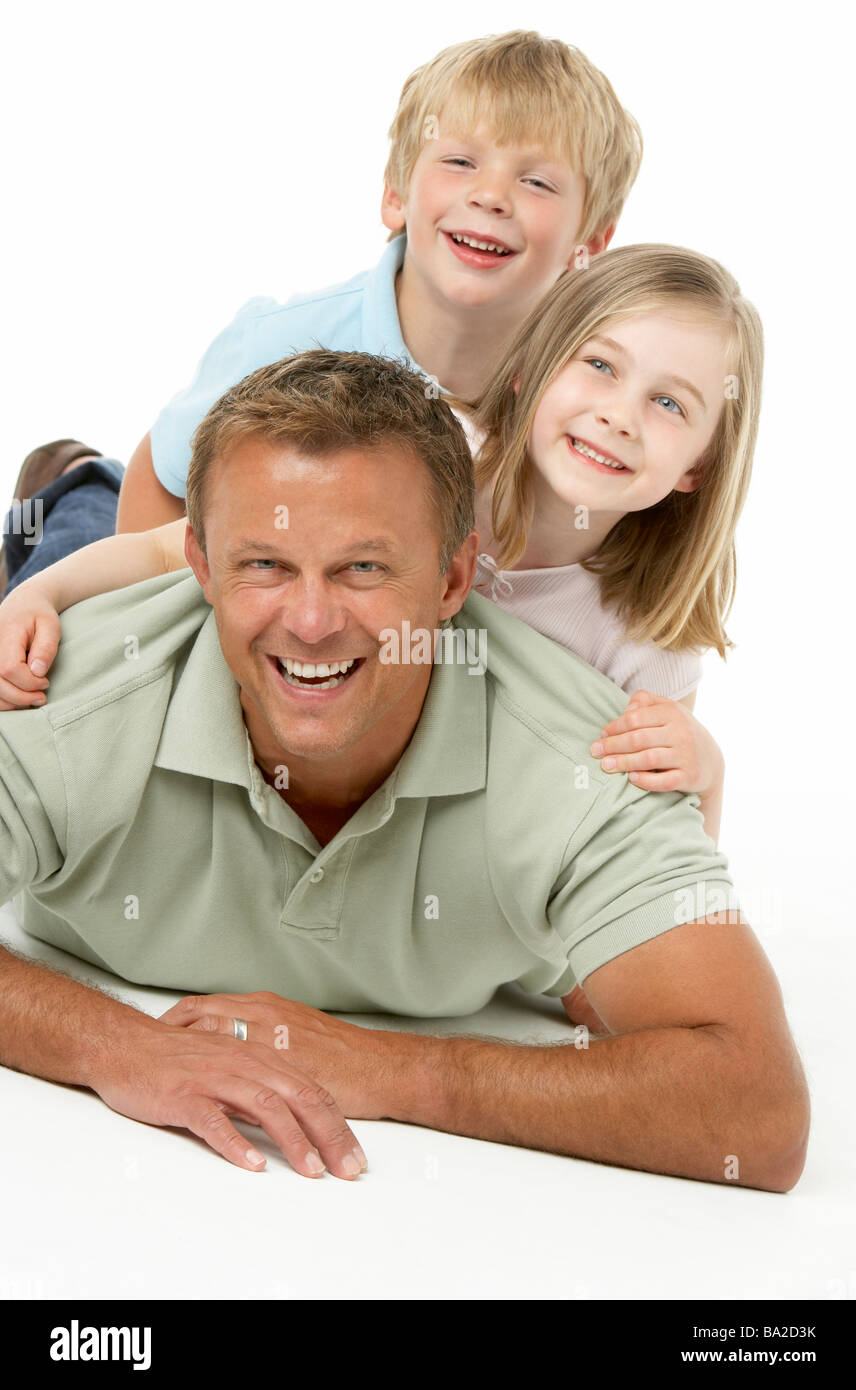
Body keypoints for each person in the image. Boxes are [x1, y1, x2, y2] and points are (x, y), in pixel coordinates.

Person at [0, 350, 809, 1191]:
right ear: (201, 566)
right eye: (265, 564)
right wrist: (116, 1047)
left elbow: (758, 1111)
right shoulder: (71, 687)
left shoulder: (587, 755)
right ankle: (80, 485)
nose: (311, 623)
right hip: (99, 585)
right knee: (64, 546)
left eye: (364, 568)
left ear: (457, 577)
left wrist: (396, 1070)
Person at [0, 244, 759, 857]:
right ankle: (79, 485)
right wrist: (37, 596)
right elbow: (168, 555)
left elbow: (666, 867)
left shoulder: (644, 636)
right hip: (184, 568)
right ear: (528, 371)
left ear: (697, 464)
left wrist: (710, 770)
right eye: (599, 365)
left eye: (668, 404)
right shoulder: (427, 465)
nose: (620, 416)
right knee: (98, 570)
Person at [0, 27, 639, 575]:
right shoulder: (283, 342)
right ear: (395, 194)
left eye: (535, 181)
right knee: (64, 604)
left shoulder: (582, 396)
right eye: (460, 161)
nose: (492, 195)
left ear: (590, 243)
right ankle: (78, 485)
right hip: (200, 552)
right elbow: (165, 477)